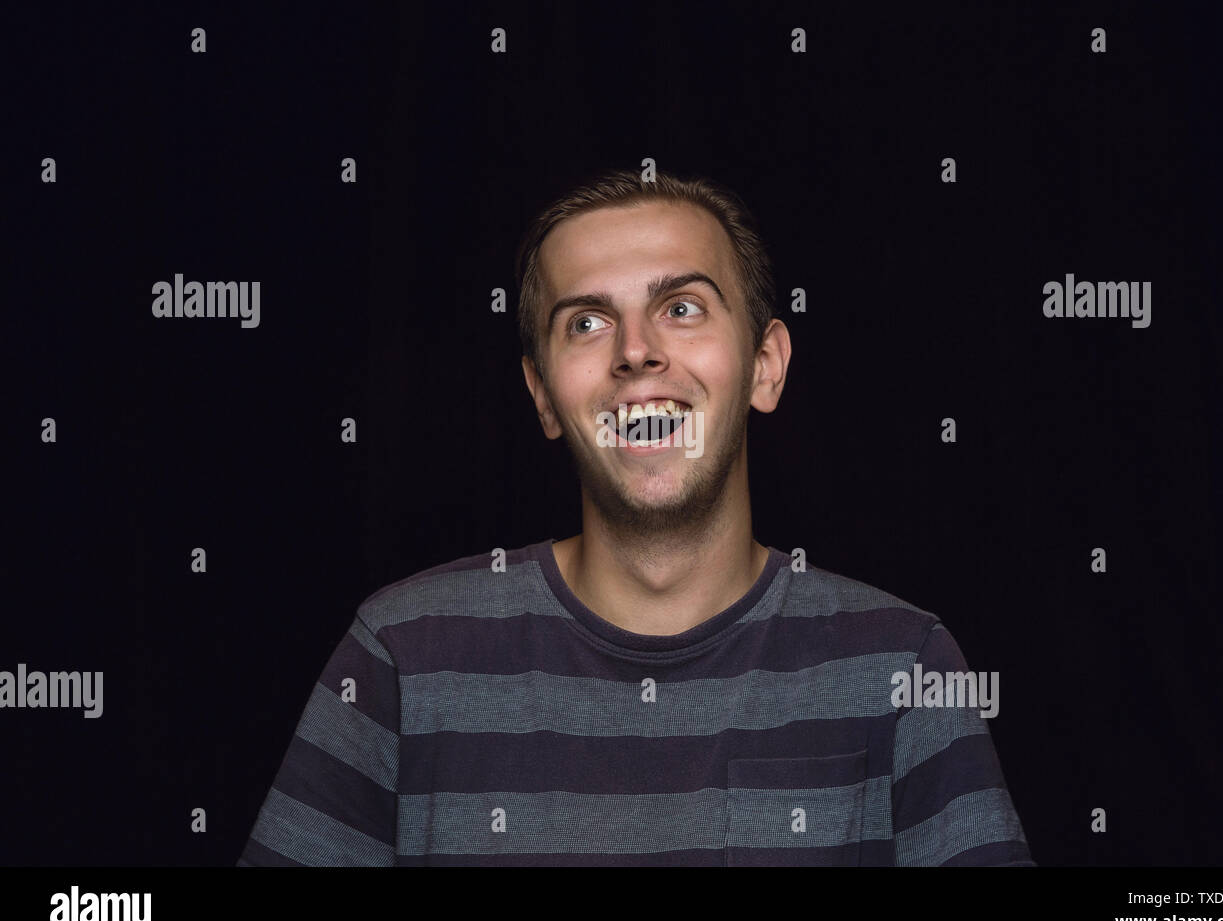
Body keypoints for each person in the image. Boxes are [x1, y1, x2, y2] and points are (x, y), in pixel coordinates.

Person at [238, 169, 1033, 866]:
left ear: (765, 366)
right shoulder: (403, 657)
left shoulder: (902, 666)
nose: (636, 352)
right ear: (544, 395)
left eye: (682, 307)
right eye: (586, 322)